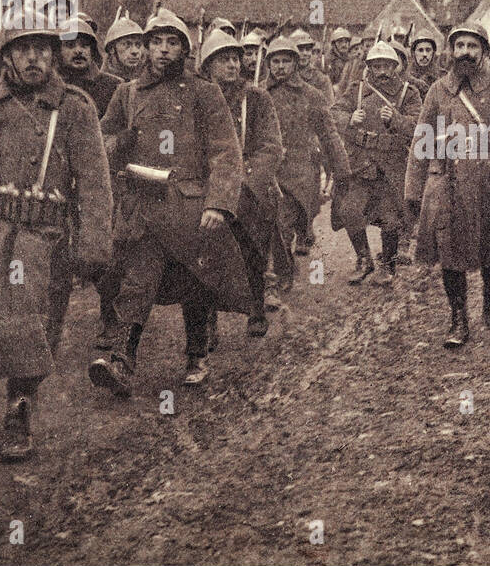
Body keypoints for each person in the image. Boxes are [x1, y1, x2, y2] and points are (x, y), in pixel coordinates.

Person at [0, 9, 113, 459]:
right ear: (7, 57)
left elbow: (95, 182)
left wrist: (94, 246)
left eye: (42, 49)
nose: (34, 58)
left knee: (28, 325)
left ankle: (18, 408)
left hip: (41, 238)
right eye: (24, 50)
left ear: (54, 56)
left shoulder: (73, 107)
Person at [91, 9, 255, 396]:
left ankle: (196, 356)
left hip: (190, 208)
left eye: (172, 43)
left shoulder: (204, 92)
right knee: (137, 280)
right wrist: (120, 143)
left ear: (184, 49)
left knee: (196, 281)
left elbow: (225, 151)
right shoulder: (127, 93)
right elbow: (101, 142)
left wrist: (218, 203)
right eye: (155, 42)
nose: (163, 50)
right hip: (143, 207)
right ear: (146, 48)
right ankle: (121, 359)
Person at [405, 21, 490, 348]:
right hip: (447, 185)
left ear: (484, 51)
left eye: (472, 46)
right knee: (449, 253)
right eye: (459, 46)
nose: (465, 52)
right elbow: (422, 139)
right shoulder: (438, 90)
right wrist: (413, 190)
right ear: (451, 51)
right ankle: (458, 317)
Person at [179, 30, 286, 379]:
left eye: (235, 58)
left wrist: (246, 178)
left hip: (252, 189)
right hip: (210, 189)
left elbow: (272, 146)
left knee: (252, 252)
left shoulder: (256, 98)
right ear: (207, 65)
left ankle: (256, 308)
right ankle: (208, 321)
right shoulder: (195, 98)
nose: (232, 65)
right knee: (206, 257)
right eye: (223, 59)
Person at [331, 41, 423, 285]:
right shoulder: (358, 89)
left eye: (387, 66)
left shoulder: (408, 93)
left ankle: (388, 266)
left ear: (395, 67)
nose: (382, 71)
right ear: (369, 67)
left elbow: (419, 127)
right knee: (349, 210)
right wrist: (349, 118)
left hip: (392, 165)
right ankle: (364, 260)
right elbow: (334, 112)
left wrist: (396, 119)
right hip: (362, 163)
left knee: (390, 218)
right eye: (377, 66)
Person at [263, 34, 351, 259]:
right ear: (268, 64)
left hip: (303, 168)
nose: (280, 66)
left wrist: (341, 168)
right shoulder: (259, 95)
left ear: (295, 63)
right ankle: (282, 269)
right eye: (275, 61)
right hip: (272, 169)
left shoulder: (312, 95)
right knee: (280, 222)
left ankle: (302, 234)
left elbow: (329, 135)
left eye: (286, 61)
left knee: (304, 211)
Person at [58, 13, 123, 117]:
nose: (78, 51)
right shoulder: (51, 87)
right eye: (70, 45)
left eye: (84, 45)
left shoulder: (114, 86)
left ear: (92, 51)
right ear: (58, 51)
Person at [102, 15, 146, 81]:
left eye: (138, 45)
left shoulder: (147, 77)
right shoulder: (102, 81)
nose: (134, 51)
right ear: (111, 49)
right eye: (127, 45)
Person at [408, 27, 441, 95]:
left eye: (428, 50)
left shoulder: (441, 76)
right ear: (413, 53)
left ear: (433, 53)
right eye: (420, 50)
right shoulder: (406, 77)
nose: (425, 54)